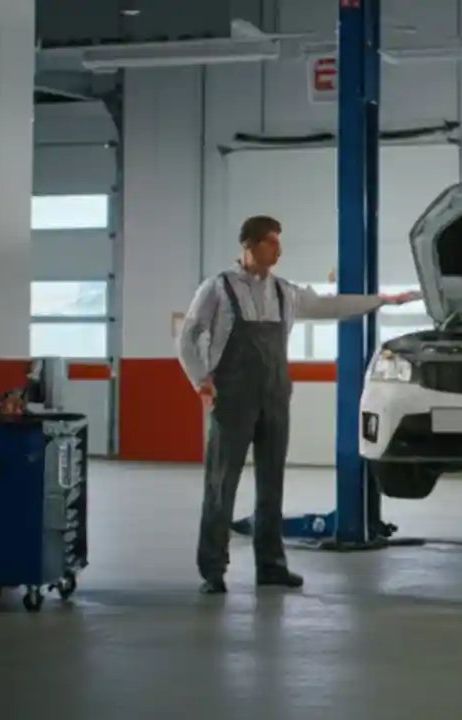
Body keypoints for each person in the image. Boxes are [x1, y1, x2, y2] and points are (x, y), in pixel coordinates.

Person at [177, 215, 420, 594]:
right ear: (249, 244)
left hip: (275, 394)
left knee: (272, 483)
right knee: (221, 484)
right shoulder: (218, 288)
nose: (279, 249)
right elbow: (190, 334)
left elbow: (330, 305)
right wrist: (199, 378)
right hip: (233, 397)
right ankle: (213, 570)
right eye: (271, 242)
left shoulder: (283, 291)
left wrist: (382, 301)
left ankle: (271, 565)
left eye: (278, 242)